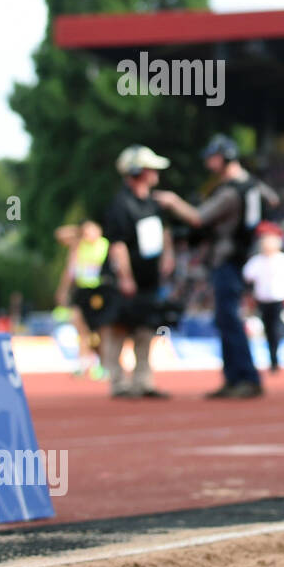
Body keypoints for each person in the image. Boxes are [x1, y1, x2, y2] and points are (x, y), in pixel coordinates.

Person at [154, 134, 279, 399]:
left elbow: (199, 218)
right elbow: (274, 200)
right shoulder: (252, 185)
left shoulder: (232, 191)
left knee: (229, 319)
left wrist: (172, 202)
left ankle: (246, 377)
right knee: (225, 318)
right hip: (238, 257)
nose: (209, 163)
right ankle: (234, 378)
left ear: (225, 157)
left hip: (227, 259)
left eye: (213, 157)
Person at [100, 146, 174, 399]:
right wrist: (125, 277)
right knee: (118, 328)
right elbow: (117, 245)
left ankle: (143, 381)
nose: (156, 172)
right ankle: (119, 383)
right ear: (136, 171)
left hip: (148, 279)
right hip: (125, 280)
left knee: (146, 329)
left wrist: (168, 255)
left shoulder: (153, 203)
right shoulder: (120, 204)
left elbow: (164, 232)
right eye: (150, 168)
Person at [242, 223, 284, 373]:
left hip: (279, 300)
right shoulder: (256, 261)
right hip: (262, 301)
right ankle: (272, 359)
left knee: (275, 329)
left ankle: (275, 359)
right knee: (268, 329)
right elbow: (245, 279)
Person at [54, 220, 110, 378]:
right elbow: (60, 235)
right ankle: (83, 363)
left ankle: (103, 364)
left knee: (99, 331)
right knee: (80, 327)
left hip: (99, 293)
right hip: (81, 292)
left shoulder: (105, 244)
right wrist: (62, 290)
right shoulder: (78, 245)